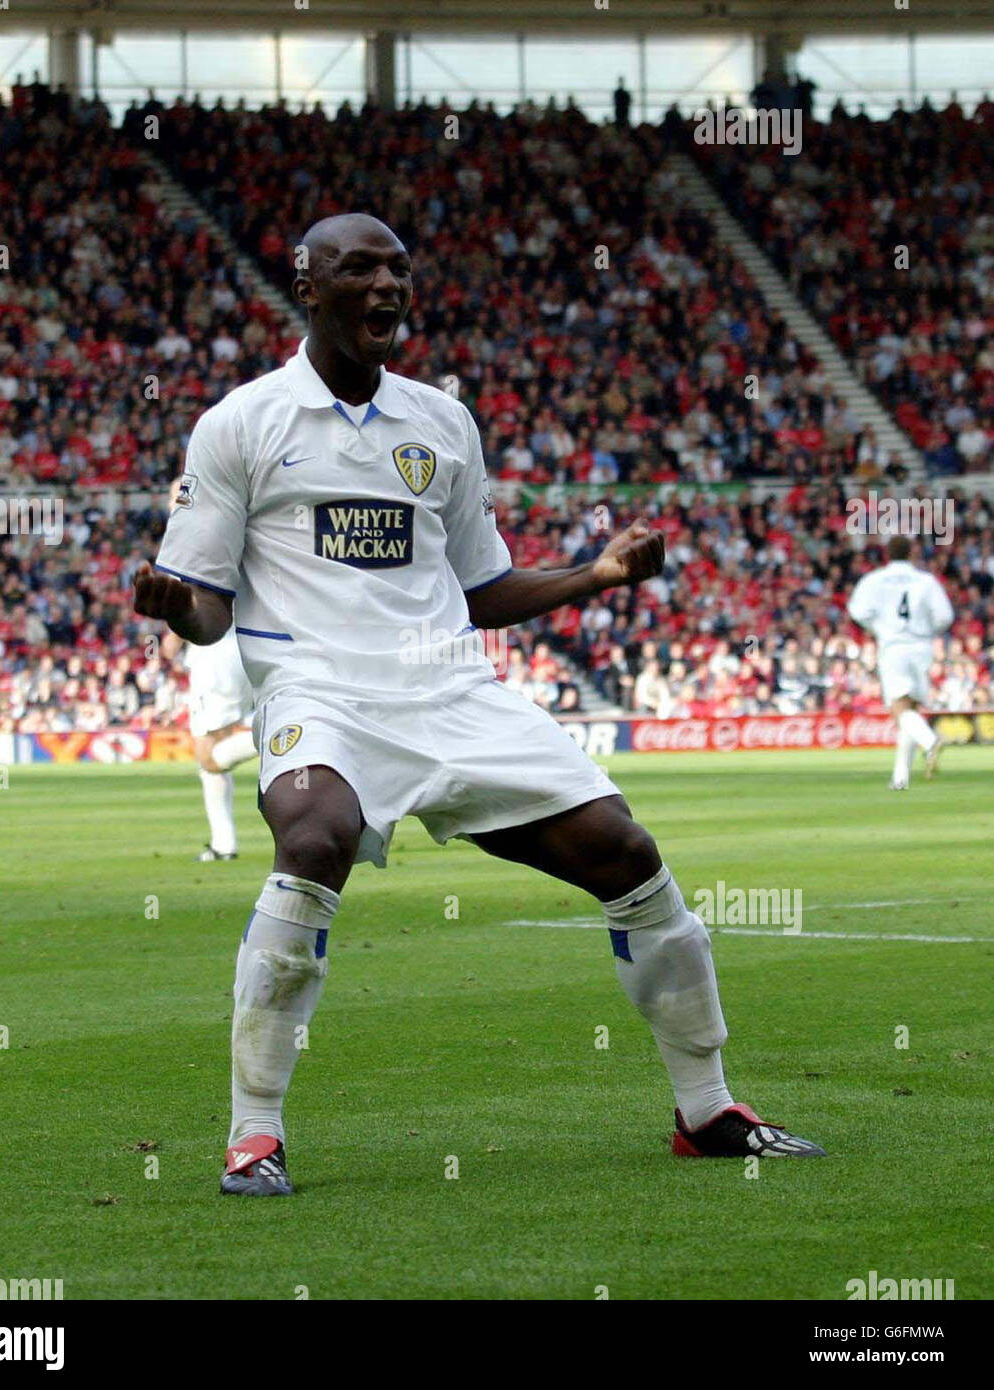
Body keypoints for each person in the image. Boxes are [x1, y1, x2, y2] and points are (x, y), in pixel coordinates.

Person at [135, 213, 824, 1197]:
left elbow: (479, 587)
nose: (386, 285)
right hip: (320, 691)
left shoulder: (441, 423)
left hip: (452, 689)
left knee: (624, 853)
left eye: (399, 268)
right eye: (359, 268)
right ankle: (255, 1134)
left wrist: (597, 572)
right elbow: (206, 603)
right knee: (314, 834)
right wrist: (178, 606)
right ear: (308, 285)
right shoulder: (240, 423)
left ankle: (706, 1107)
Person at [160, 478, 256, 860]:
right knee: (212, 759)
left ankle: (274, 733)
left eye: (174, 496)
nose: (170, 502)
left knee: (208, 756)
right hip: (249, 643)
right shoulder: (230, 529)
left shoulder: (186, 537)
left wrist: (169, 644)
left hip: (214, 651)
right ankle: (223, 844)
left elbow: (185, 602)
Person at [848, 534, 953, 789]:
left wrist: (878, 628)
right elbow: (945, 616)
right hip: (920, 648)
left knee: (899, 709)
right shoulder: (925, 581)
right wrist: (926, 630)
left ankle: (930, 741)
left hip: (893, 647)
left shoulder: (874, 580)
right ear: (911, 554)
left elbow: (857, 611)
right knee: (910, 709)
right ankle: (900, 778)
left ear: (888, 554)